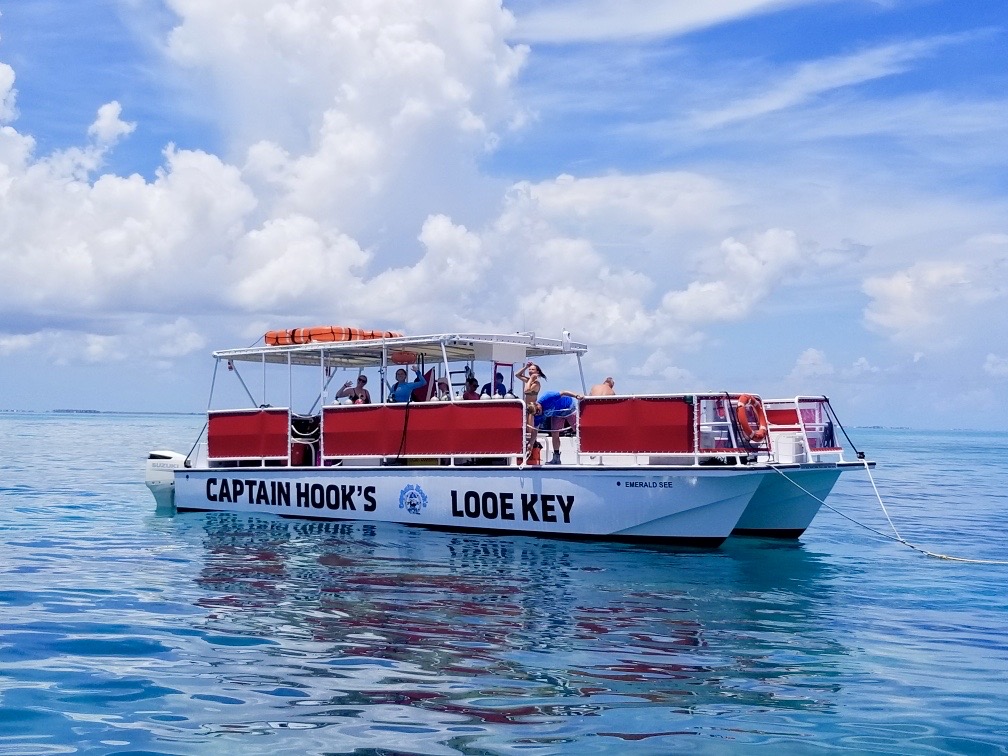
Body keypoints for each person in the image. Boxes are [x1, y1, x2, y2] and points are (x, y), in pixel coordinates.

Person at [535, 389, 580, 464]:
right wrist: (531, 443)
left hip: (568, 408)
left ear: (537, 404)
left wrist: (576, 396)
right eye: (537, 414)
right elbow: (535, 430)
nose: (539, 413)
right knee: (554, 433)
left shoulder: (547, 397)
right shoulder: (537, 414)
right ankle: (556, 458)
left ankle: (589, 449)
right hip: (557, 414)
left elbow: (564, 392)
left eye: (539, 411)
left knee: (579, 431)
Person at [515, 362, 545, 453]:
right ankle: (529, 445)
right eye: (530, 370)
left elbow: (526, 390)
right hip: (526, 407)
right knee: (526, 427)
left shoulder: (536, 383)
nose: (530, 371)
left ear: (537, 372)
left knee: (531, 428)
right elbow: (517, 375)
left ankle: (532, 444)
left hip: (533, 407)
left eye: (532, 369)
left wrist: (531, 379)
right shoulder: (529, 380)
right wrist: (525, 367)